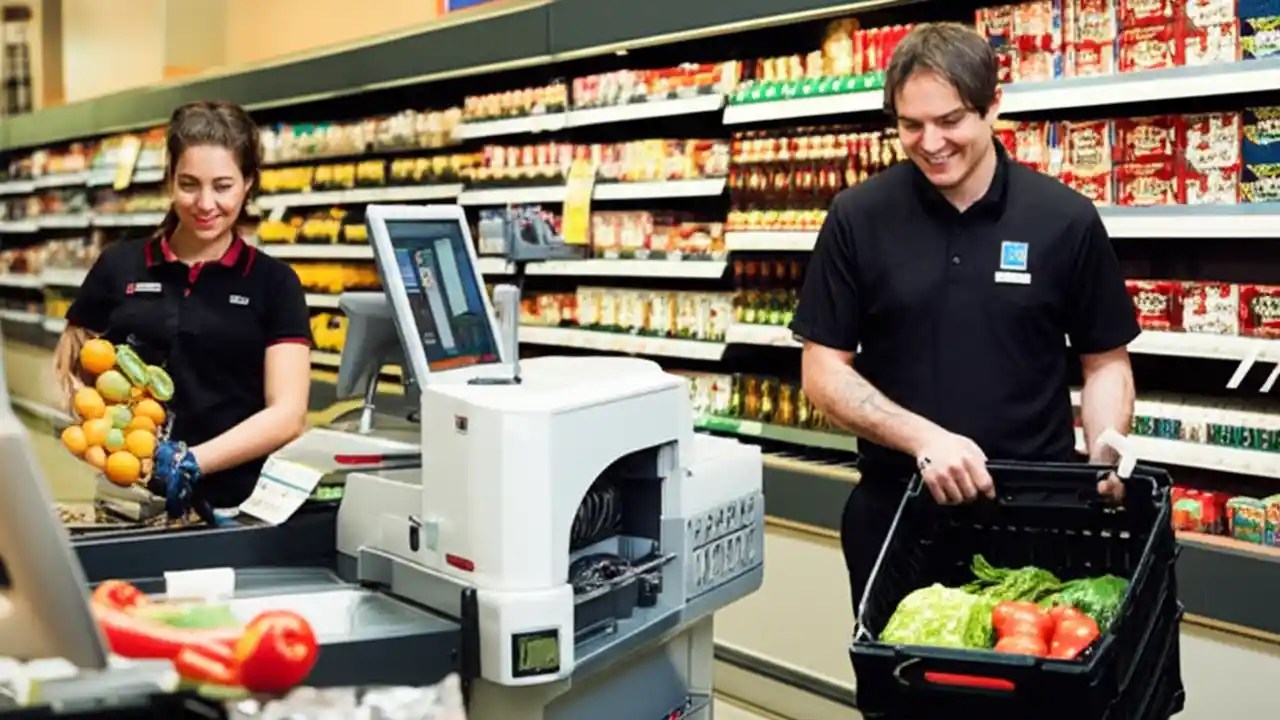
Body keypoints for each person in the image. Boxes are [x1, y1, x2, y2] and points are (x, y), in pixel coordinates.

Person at [789, 23, 1140, 613]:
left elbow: (1105, 360)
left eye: (950, 121)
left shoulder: (1064, 218)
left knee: (1028, 699)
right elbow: (822, 372)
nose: (930, 142)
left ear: (993, 106)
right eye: (911, 125)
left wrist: (1107, 447)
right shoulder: (857, 216)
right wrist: (924, 438)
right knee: (901, 697)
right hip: (897, 515)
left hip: (1034, 518)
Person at [54, 100, 312, 524]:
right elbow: (72, 364)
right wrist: (99, 429)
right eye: (189, 184)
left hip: (232, 508)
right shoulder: (119, 266)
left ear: (248, 183)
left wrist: (189, 461)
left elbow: (288, 414)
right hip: (126, 505)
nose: (205, 203)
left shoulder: (274, 284)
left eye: (223, 186)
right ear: (169, 180)